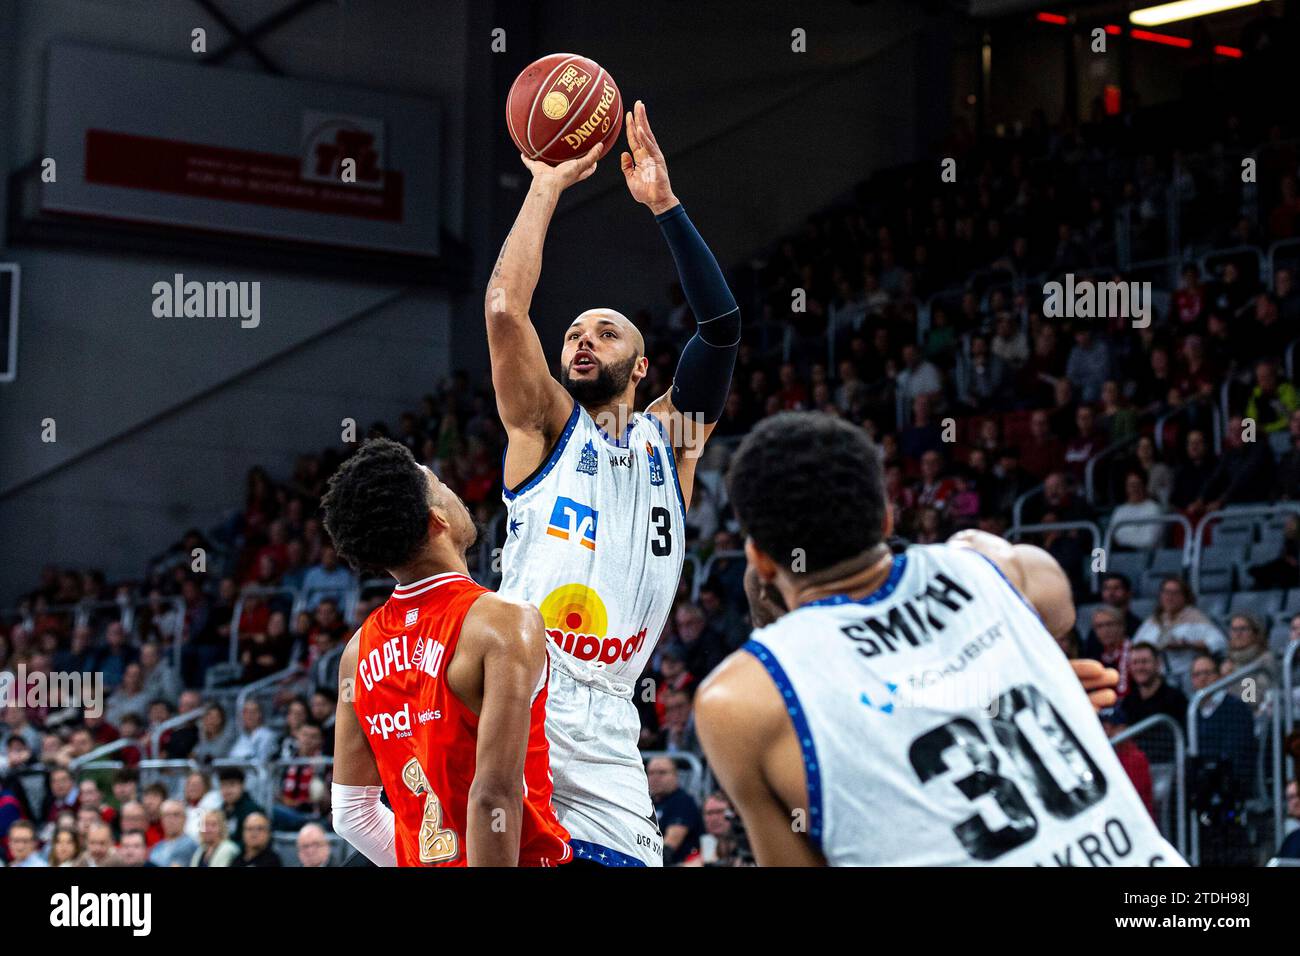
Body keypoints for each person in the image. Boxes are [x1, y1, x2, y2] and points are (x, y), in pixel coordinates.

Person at [693, 411, 1182, 866]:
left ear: (757, 558)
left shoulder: (740, 699)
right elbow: (1059, 610)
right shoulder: (994, 563)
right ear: (887, 518)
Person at [485, 102, 737, 867]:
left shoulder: (678, 440)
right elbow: (505, 307)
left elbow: (720, 327)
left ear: (641, 365)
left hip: (611, 722)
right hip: (522, 698)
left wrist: (664, 204)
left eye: (606, 332)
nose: (582, 340)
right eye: (573, 334)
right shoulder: (542, 427)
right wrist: (546, 185)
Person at [322, 438, 570, 867]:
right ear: (438, 520)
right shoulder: (503, 622)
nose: (453, 490)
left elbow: (352, 816)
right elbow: (492, 796)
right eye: (440, 484)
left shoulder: (357, 652)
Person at [1132, 578, 1227, 695]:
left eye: (1175, 593)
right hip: (1159, 677)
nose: (1170, 597)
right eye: (1166, 592)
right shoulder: (1154, 620)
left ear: (1184, 596)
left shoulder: (1195, 617)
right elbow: (1136, 645)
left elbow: (1219, 643)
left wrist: (1188, 645)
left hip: (1188, 675)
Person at [1118, 643, 1189, 732]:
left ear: (1158, 664)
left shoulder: (1176, 700)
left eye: (1145, 661)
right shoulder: (1128, 701)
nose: (1140, 667)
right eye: (1135, 662)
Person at [647, 756, 702, 866]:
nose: (655, 778)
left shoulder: (683, 801)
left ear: (676, 775)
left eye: (662, 773)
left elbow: (669, 847)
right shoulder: (646, 802)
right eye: (651, 773)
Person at [149, 799, 198, 867]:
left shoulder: (190, 845)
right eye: (166, 815)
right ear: (161, 820)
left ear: (185, 818)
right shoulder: (157, 847)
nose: (171, 819)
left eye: (176, 815)